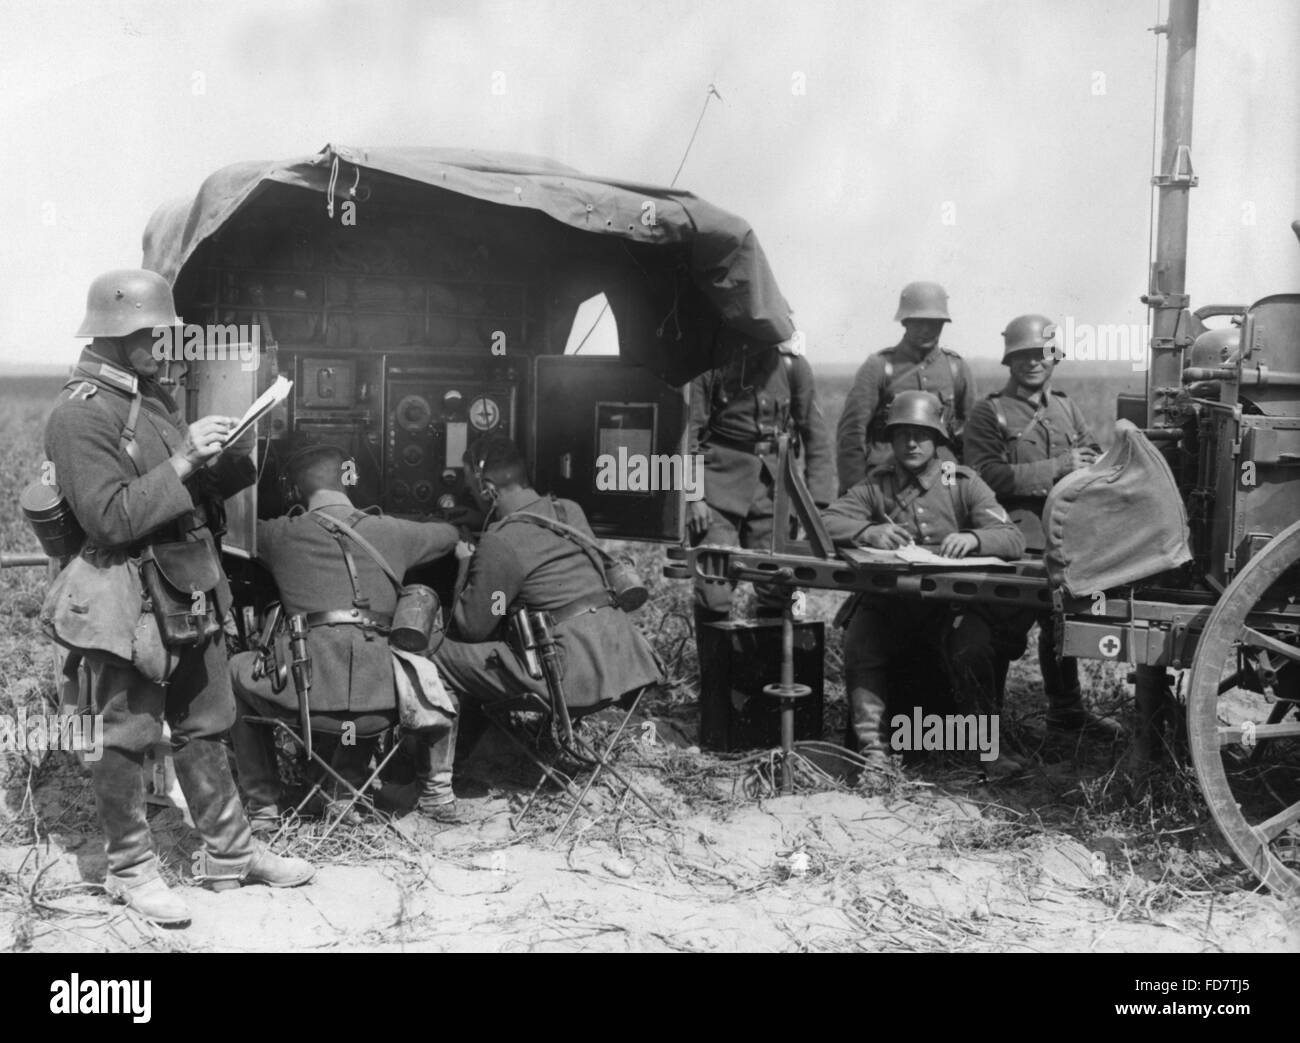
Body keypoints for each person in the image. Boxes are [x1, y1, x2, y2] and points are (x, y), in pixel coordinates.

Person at [45, 268, 313, 926]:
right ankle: (132, 868)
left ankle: (230, 851)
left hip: (188, 583)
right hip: (129, 597)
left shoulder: (151, 399)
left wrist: (241, 448)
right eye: (151, 334)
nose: (165, 345)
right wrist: (187, 460)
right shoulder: (80, 414)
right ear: (113, 335)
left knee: (205, 719)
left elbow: (188, 487)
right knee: (126, 732)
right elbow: (110, 517)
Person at [228, 443, 465, 825]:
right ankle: (346, 790)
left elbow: (230, 527)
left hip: (302, 701)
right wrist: (446, 518)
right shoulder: (394, 531)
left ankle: (263, 808)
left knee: (233, 671)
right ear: (349, 479)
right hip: (386, 706)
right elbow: (450, 535)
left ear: (294, 491)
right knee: (377, 667)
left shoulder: (278, 535)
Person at [822, 391, 1026, 778]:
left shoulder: (960, 481)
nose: (911, 443)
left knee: (974, 649)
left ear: (938, 440)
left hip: (954, 608)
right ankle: (874, 755)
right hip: (892, 605)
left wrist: (974, 539)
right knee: (861, 643)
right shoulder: (876, 484)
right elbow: (829, 521)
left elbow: (1011, 537)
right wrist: (869, 532)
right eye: (902, 435)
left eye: (921, 434)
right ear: (891, 440)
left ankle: (988, 752)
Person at [962, 314, 1122, 738]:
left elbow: (1089, 453)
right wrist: (1057, 468)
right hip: (1015, 541)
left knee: (1061, 628)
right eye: (1023, 356)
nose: (1034, 363)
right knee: (999, 636)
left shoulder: (1066, 407)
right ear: (1009, 361)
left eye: (1043, 354)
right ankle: (986, 729)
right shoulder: (989, 412)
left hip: (1063, 540)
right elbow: (983, 475)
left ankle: (1066, 715)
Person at [434, 435, 662, 718]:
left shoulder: (500, 542)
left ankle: (449, 759)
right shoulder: (567, 510)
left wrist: (466, 560)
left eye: (471, 488)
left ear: (486, 489)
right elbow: (536, 540)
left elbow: (474, 627)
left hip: (567, 680)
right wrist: (483, 519)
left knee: (435, 649)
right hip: (622, 665)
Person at [687, 334, 834, 640]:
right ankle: (716, 686)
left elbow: (815, 435)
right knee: (713, 590)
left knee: (780, 587)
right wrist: (692, 494)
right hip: (717, 489)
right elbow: (690, 431)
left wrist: (817, 508)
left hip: (776, 493)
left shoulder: (793, 367)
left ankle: (769, 679)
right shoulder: (710, 364)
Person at [835, 281, 977, 494]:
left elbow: (972, 435)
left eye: (934, 323)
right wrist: (856, 492)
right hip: (887, 477)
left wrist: (968, 490)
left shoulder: (955, 368)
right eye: (918, 322)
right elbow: (852, 434)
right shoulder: (880, 366)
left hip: (944, 477)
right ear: (904, 322)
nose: (926, 329)